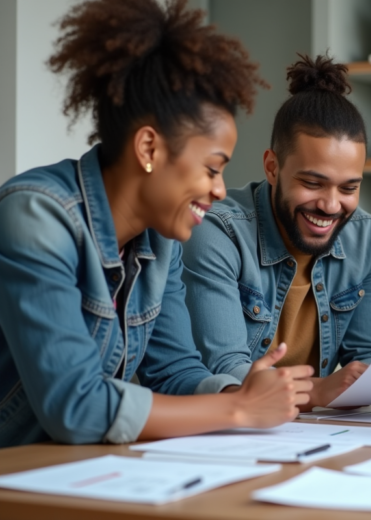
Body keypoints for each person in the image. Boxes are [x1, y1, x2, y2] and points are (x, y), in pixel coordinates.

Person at [0, 0, 314, 448]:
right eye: (212, 168)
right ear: (149, 148)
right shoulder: (37, 216)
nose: (221, 190)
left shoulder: (160, 239)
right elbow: (75, 406)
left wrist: (237, 391)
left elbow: (174, 371)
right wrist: (238, 409)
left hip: (76, 475)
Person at [181, 54, 371, 410]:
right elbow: (228, 371)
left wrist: (369, 378)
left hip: (309, 434)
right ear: (272, 167)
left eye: (348, 188)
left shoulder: (367, 240)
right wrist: (320, 391)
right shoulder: (216, 232)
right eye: (313, 183)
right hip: (224, 426)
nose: (330, 205)